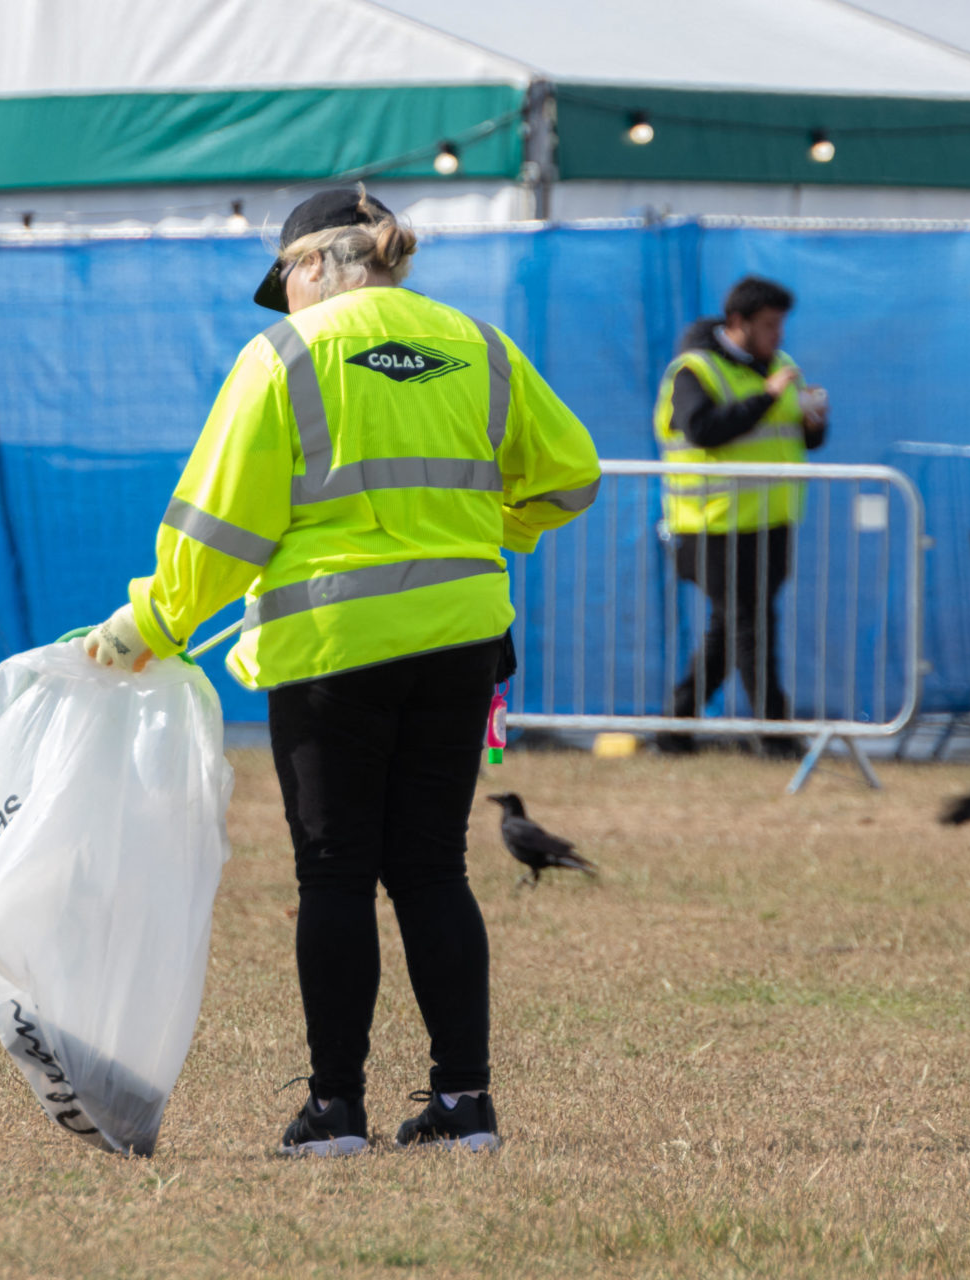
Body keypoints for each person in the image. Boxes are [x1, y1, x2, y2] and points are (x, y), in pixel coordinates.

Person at [83, 187, 600, 1156]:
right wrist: (486, 530)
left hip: (332, 650)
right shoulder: (480, 346)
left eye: (284, 279)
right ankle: (465, 1107)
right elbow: (572, 475)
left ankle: (335, 1112)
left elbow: (219, 529)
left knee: (335, 874)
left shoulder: (285, 356)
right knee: (434, 869)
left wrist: (148, 624)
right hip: (460, 643)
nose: (285, 299)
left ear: (315, 263)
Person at [652, 276, 828, 759]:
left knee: (733, 628)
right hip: (711, 524)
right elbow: (703, 429)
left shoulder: (782, 366)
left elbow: (800, 440)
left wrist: (814, 421)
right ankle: (776, 737)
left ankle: (674, 728)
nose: (779, 335)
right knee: (750, 624)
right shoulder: (693, 370)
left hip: (770, 522)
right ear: (738, 322)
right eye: (770, 325)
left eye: (781, 324)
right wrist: (766, 398)